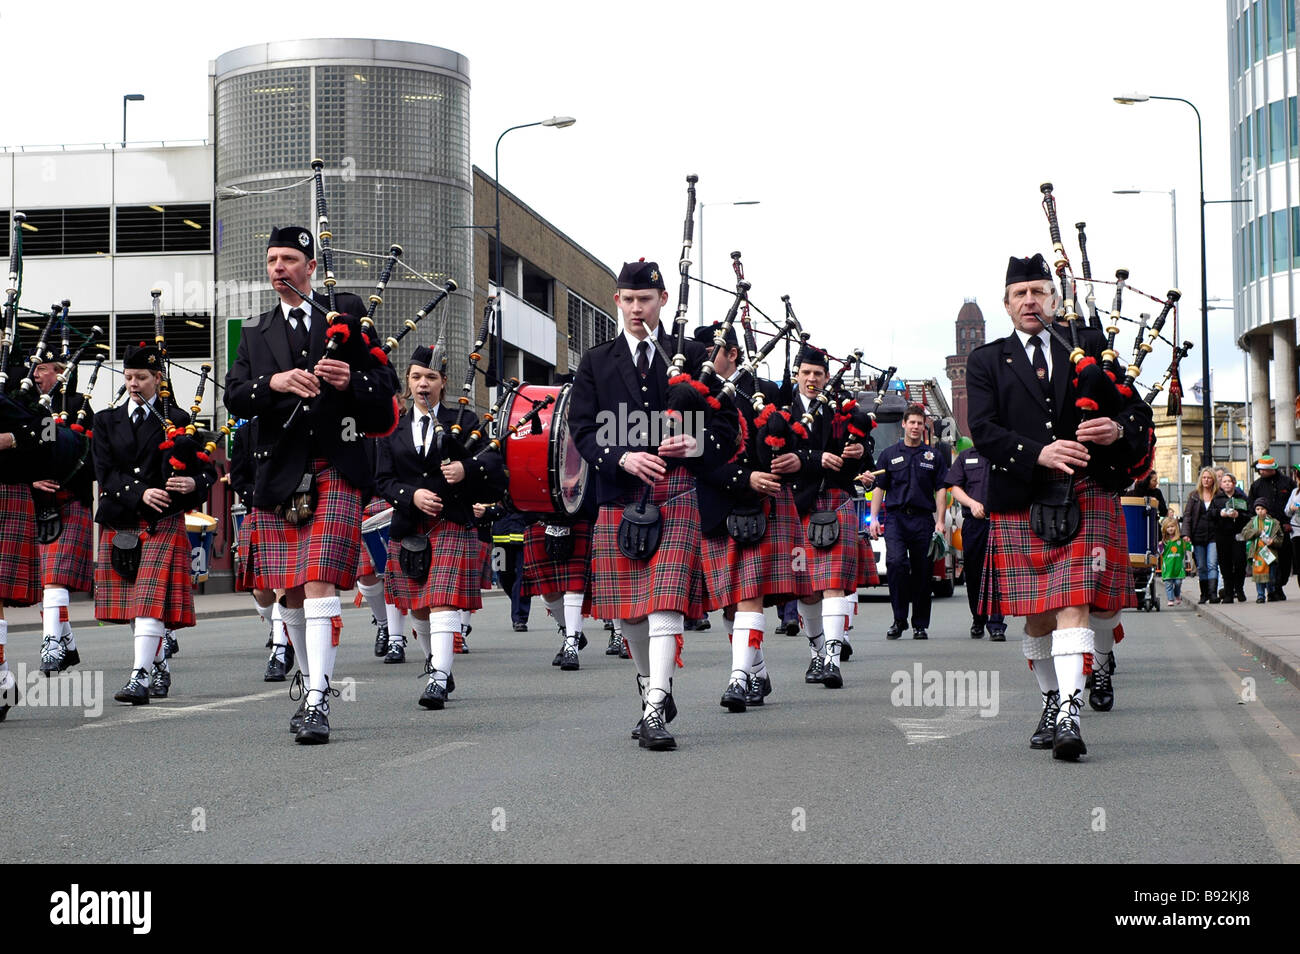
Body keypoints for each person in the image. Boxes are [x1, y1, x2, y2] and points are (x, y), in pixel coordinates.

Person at [966, 253, 1153, 760]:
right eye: (1020, 294)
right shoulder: (986, 361)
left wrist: (1118, 429)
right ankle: (1052, 699)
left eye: (1038, 291)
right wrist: (1038, 453)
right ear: (1006, 305)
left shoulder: (1089, 344)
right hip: (1021, 496)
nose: (1030, 301)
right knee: (1037, 616)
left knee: (1077, 604)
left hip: (1085, 489)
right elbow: (982, 430)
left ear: (1054, 298)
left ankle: (1069, 712)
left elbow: (1135, 408)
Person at [225, 225, 399, 744]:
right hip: (277, 470)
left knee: (320, 579)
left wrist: (352, 381)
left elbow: (384, 395)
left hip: (334, 466)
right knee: (291, 591)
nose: (278, 268)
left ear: (311, 268)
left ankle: (319, 697)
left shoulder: (346, 319)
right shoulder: (255, 332)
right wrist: (273, 383)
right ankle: (308, 677)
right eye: (272, 259)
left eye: (289, 259)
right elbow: (235, 397)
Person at [567, 259, 732, 750]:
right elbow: (582, 431)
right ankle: (649, 686)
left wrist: (695, 443)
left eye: (647, 299)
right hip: (620, 493)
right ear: (617, 301)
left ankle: (656, 705)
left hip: (679, 491)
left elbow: (728, 429)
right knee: (629, 614)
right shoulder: (596, 362)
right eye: (629, 299)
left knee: (664, 602)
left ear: (662, 301)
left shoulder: (693, 356)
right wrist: (622, 458)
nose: (638, 308)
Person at [375, 344, 505, 710]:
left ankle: (436, 677)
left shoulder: (464, 422)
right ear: (407, 382)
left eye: (430, 377)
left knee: (442, 600)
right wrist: (411, 495)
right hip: (409, 524)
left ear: (443, 383)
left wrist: (467, 469)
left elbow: (495, 470)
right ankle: (440, 667)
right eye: (416, 377)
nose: (422, 384)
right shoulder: (392, 429)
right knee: (418, 607)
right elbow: (382, 480)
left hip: (450, 520)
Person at [95, 342, 216, 704]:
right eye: (129, 377)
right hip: (120, 521)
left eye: (142, 377)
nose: (133, 383)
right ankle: (159, 664)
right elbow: (106, 473)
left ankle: (139, 677)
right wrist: (141, 492)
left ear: (157, 378)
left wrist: (195, 484)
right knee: (136, 606)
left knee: (147, 602)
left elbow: (202, 471)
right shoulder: (105, 420)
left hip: (160, 523)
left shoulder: (178, 421)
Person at [693, 321, 798, 710]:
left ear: (732, 353)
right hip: (715, 501)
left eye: (709, 354)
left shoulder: (764, 392)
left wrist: (791, 458)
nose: (702, 362)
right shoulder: (694, 395)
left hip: (759, 503)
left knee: (749, 594)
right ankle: (758, 671)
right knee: (729, 602)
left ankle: (738, 679)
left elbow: (792, 442)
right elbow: (696, 457)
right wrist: (741, 476)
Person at [783, 344, 869, 687]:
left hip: (836, 500)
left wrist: (861, 451)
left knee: (833, 582)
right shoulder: (782, 410)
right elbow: (775, 450)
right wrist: (815, 458)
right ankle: (817, 652)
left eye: (818, 373)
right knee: (806, 588)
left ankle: (832, 659)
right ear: (797, 375)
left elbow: (865, 453)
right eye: (806, 373)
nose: (812, 379)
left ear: (827, 376)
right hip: (797, 504)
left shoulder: (840, 409)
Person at [30, 354, 92, 675]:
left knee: (54, 579)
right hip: (35, 502)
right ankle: (65, 642)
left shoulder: (81, 404)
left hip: (68, 500)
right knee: (45, 583)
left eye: (42, 369)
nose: (36, 374)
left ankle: (51, 642)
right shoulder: (29, 406)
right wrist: (31, 479)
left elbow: (91, 459)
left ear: (60, 373)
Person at [871, 404, 949, 640]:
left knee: (923, 572)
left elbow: (942, 490)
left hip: (923, 520)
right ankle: (899, 619)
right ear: (904, 424)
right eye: (911, 422)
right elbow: (878, 488)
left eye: (919, 423)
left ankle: (920, 624)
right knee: (895, 564)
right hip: (895, 518)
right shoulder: (888, 455)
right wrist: (874, 518)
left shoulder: (933, 456)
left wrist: (941, 521)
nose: (915, 427)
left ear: (924, 426)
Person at [945, 442, 1007, 640]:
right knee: (974, 573)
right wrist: (972, 503)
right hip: (974, 524)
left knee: (999, 573)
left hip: (1000, 522)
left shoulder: (1005, 452)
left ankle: (996, 624)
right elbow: (954, 487)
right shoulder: (965, 457)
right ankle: (978, 618)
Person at [1247, 456, 1295, 600]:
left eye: (1263, 469)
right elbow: (1251, 507)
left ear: (1271, 469)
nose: (1260, 471)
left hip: (1284, 529)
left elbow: (1294, 503)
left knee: (1286, 560)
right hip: (1265, 532)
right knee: (1270, 561)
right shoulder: (1257, 486)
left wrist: (1288, 522)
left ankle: (1280, 584)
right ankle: (1273, 589)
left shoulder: (1287, 483)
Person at [1180, 467, 1221, 605]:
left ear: (1213, 480)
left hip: (1214, 535)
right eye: (1204, 477)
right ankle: (1204, 594)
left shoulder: (1218, 495)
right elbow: (1187, 516)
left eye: (1209, 477)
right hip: (1198, 535)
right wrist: (1186, 533)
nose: (1206, 480)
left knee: (1212, 564)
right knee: (1202, 566)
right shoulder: (1194, 495)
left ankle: (1213, 594)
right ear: (1200, 479)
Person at [1211, 471, 1250, 602]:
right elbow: (1210, 515)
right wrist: (1220, 513)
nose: (1227, 484)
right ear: (1221, 484)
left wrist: (1238, 515)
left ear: (1234, 483)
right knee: (1225, 564)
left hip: (1238, 534)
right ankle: (1228, 593)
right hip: (1222, 535)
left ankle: (1239, 589)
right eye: (1224, 481)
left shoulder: (1242, 498)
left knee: (1240, 562)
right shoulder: (1217, 499)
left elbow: (1249, 516)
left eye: (1230, 481)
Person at [1241, 499, 1282, 602]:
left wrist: (1273, 541)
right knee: (1258, 575)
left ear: (1266, 510)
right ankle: (1260, 595)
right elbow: (1245, 533)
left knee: (1271, 576)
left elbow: (1280, 537)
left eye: (1262, 508)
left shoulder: (1274, 523)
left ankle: (1271, 592)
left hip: (1269, 552)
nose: (1260, 511)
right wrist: (1257, 532)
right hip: (1257, 553)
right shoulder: (1252, 522)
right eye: (1257, 509)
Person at [1158, 515, 1189, 606]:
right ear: (1164, 529)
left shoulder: (1180, 541)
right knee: (1168, 584)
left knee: (1178, 583)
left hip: (1178, 568)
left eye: (1172, 526)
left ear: (1176, 527)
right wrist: (1160, 545)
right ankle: (1170, 599)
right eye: (1168, 527)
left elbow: (1189, 547)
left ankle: (1177, 595)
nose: (1170, 529)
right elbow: (1159, 552)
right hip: (1168, 568)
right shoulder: (1164, 542)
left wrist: (1188, 541)